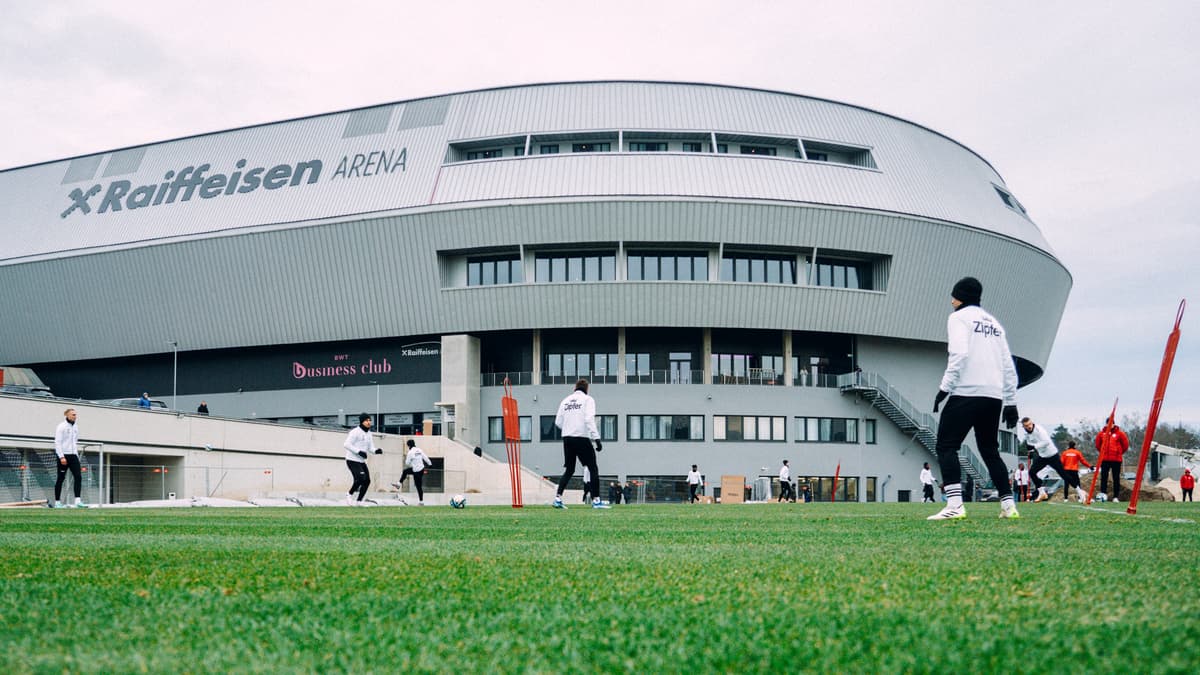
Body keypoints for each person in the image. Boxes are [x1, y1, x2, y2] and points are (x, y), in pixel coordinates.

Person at [928, 276, 1021, 520]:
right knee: (990, 450)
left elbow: (958, 354)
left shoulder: (958, 318)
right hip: (993, 396)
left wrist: (944, 388)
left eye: (953, 296)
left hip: (966, 392)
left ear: (960, 297)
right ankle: (1009, 506)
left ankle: (955, 505)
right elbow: (1008, 366)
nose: (951, 301)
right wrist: (1010, 402)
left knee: (946, 446)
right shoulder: (994, 323)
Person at [552, 379, 606, 509]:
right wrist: (596, 438)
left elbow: (558, 422)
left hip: (567, 438)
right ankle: (596, 500)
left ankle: (558, 498)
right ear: (586, 389)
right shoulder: (588, 400)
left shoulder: (565, 401)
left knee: (569, 469)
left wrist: (569, 426)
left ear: (574, 388)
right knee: (593, 468)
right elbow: (589, 419)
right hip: (581, 437)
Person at [1018, 417, 1076, 503]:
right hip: (1043, 456)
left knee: (1063, 474)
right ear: (1023, 427)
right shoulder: (1027, 435)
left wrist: (1034, 447)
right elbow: (1030, 444)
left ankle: (1080, 491)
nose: (1029, 426)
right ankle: (1042, 493)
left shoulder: (1039, 430)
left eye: (1030, 424)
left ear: (1032, 423)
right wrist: (1031, 451)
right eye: (1026, 426)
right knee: (1032, 472)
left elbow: (1046, 442)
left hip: (1052, 455)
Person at [343, 412, 381, 505]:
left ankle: (359, 501)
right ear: (361, 422)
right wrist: (358, 451)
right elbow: (346, 444)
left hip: (361, 461)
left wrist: (376, 451)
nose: (369, 422)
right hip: (352, 460)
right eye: (366, 420)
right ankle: (349, 494)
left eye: (369, 420)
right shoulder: (355, 432)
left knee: (367, 481)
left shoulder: (369, 434)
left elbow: (370, 448)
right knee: (360, 479)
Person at [53, 408, 86, 508]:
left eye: (75, 414)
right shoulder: (61, 426)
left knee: (78, 477)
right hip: (63, 456)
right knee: (60, 478)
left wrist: (75, 454)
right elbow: (57, 442)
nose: (75, 416)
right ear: (67, 415)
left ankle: (77, 501)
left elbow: (75, 442)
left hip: (73, 456)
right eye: (73, 415)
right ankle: (57, 502)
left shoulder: (76, 427)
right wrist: (61, 457)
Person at [1094, 420, 1130, 502]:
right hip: (1105, 459)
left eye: (1111, 423)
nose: (1110, 425)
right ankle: (1103, 495)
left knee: (1116, 478)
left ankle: (1116, 497)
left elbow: (1125, 445)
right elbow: (1098, 445)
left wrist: (1119, 452)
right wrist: (1103, 452)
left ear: (1114, 424)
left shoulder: (1120, 433)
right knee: (1104, 478)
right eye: (1108, 423)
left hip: (1116, 460)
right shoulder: (1101, 434)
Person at [397, 439, 433, 504]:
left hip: (416, 471)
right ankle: (399, 484)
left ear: (409, 446)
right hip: (421, 469)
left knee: (418, 485)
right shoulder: (419, 450)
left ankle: (421, 502)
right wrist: (430, 464)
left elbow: (407, 463)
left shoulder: (410, 453)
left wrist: (411, 461)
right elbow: (425, 457)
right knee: (406, 471)